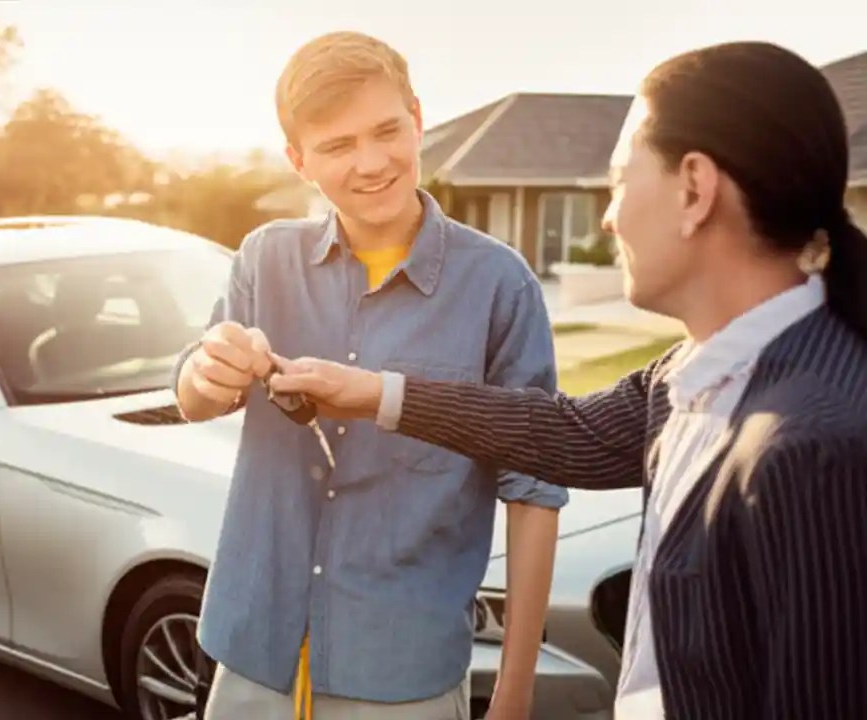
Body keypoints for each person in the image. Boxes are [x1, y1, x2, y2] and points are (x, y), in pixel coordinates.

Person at [267, 40, 867, 720]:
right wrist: (373, 393)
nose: (607, 217)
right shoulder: (693, 377)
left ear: (694, 190)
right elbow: (565, 431)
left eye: (616, 182)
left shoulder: (820, 446)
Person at [173, 30, 569, 720]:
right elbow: (193, 394)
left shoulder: (500, 286)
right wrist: (207, 375)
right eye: (336, 146)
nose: (372, 162)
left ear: (417, 119)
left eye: (387, 130)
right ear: (299, 161)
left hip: (403, 673)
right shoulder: (264, 259)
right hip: (251, 654)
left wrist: (515, 689)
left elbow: (534, 488)